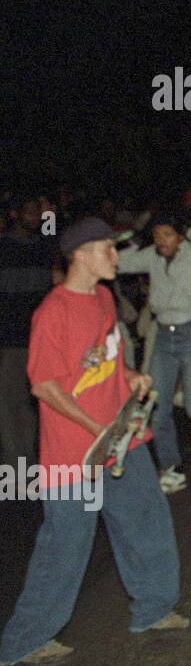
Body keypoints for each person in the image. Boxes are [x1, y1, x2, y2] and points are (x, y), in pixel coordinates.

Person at [0, 219, 189, 666]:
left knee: (146, 519)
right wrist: (92, 425)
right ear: (81, 255)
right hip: (73, 454)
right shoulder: (53, 312)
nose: (116, 256)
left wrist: (130, 376)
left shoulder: (104, 298)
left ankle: (154, 608)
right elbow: (45, 386)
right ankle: (21, 642)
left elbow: (104, 363)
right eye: (107, 248)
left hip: (122, 438)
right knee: (65, 545)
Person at [116, 212, 191, 493]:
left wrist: (187, 227)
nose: (160, 241)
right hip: (163, 337)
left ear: (179, 235)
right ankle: (171, 467)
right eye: (156, 236)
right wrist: (130, 242)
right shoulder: (152, 256)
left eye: (167, 235)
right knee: (157, 406)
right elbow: (121, 264)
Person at [0, 195, 60, 469]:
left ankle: (30, 460)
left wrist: (50, 216)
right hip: (10, 338)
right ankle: (16, 464)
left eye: (40, 212)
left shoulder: (42, 246)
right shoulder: (4, 246)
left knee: (34, 401)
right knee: (9, 402)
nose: (36, 216)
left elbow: (57, 243)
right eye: (31, 211)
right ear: (15, 214)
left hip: (40, 337)